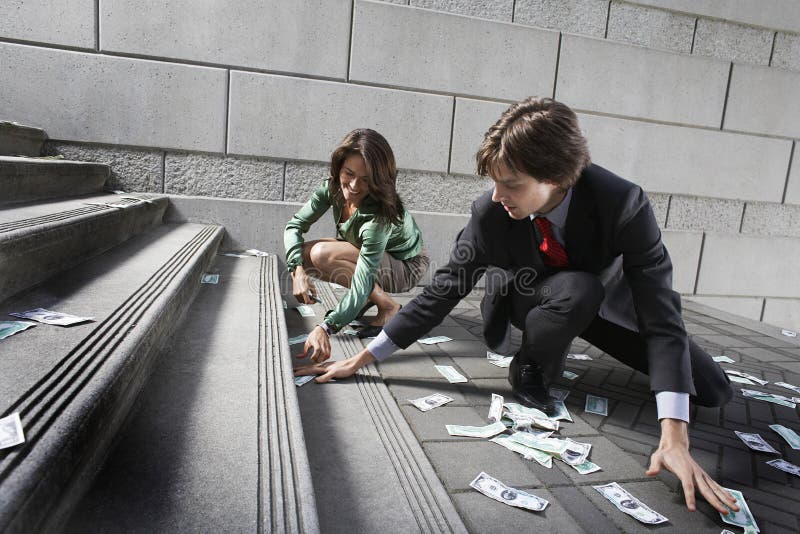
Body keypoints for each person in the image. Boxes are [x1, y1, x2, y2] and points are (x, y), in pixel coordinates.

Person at [294, 97, 738, 515]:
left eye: (511, 184)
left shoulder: (623, 204)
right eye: (494, 180)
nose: (496, 194)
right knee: (578, 289)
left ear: (557, 178)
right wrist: (365, 358)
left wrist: (674, 437)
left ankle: (575, 331)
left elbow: (661, 312)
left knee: (713, 390)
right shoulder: (490, 212)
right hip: (531, 296)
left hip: (602, 304)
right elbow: (442, 292)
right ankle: (530, 363)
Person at [285, 128, 429, 361]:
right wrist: (297, 270)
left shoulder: (378, 218)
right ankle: (370, 299)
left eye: (366, 180)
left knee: (322, 255)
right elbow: (294, 226)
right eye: (348, 173)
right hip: (377, 256)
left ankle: (389, 308)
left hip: (406, 265)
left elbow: (362, 281)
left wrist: (326, 327)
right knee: (303, 255)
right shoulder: (331, 188)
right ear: (339, 167)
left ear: (378, 180)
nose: (353, 186)